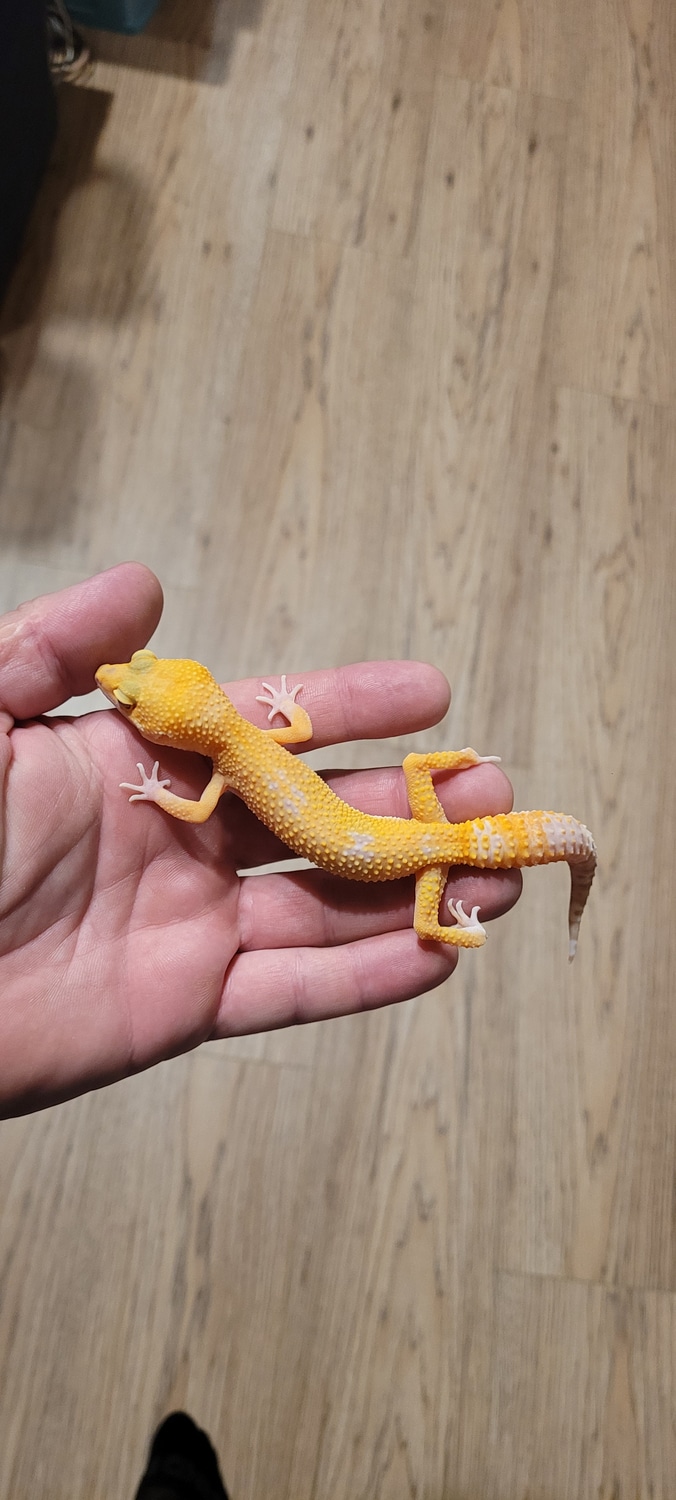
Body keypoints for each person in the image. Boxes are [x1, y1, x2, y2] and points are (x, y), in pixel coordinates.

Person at [0, 562, 519, 1119]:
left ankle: (465, 931)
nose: (113, 678)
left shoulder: (224, 766)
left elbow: (198, 812)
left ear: (172, 728)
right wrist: (288, 706)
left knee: (423, 925)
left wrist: (155, 792)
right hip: (420, 842)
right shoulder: (247, 738)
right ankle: (462, 766)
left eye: (129, 696)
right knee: (418, 768)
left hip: (403, 856)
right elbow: (300, 730)